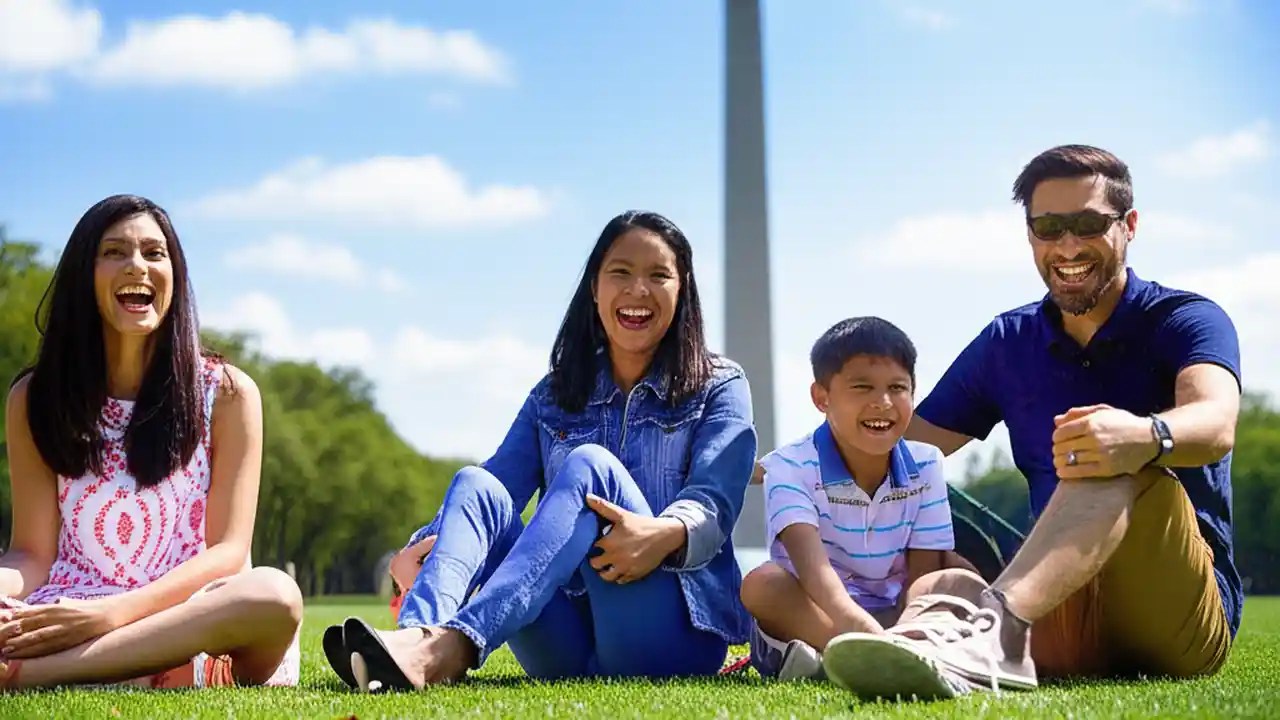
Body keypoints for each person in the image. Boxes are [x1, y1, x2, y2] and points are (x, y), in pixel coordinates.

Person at [830, 144, 1243, 698]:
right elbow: (895, 453)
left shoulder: (1186, 320)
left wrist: (1143, 435)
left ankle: (994, 632)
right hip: (1059, 611)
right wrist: (775, 471)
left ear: (1130, 226)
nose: (1067, 245)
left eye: (1088, 224)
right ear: (1030, 236)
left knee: (1107, 449)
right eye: (1048, 227)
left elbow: (1215, 422)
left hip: (1177, 617)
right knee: (936, 543)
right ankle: (924, 646)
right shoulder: (1009, 340)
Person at [323, 210, 757, 691]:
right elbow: (495, 490)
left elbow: (715, 503)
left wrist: (664, 533)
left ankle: (448, 649)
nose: (638, 289)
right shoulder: (554, 394)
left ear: (682, 291)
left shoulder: (720, 385)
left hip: (669, 628)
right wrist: (421, 546)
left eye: (659, 275)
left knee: (590, 466)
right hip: (564, 637)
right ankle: (413, 641)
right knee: (475, 483)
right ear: (595, 288)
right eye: (621, 273)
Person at [0, 195, 303, 691]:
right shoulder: (34, 398)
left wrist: (109, 615)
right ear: (84, 274)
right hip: (71, 606)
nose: (136, 265)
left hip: (191, 618)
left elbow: (227, 553)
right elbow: (31, 554)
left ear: (175, 276)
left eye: (153, 253)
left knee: (275, 595)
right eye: (115, 251)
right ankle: (119, 668)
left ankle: (30, 676)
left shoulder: (227, 394)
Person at [740, 317, 980, 692]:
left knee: (957, 574)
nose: (882, 403)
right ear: (822, 397)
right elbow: (813, 569)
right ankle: (872, 654)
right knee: (761, 583)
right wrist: (871, 634)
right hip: (817, 608)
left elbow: (925, 568)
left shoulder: (927, 461)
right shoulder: (788, 466)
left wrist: (909, 625)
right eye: (862, 387)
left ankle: (870, 656)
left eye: (897, 388)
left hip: (898, 610)